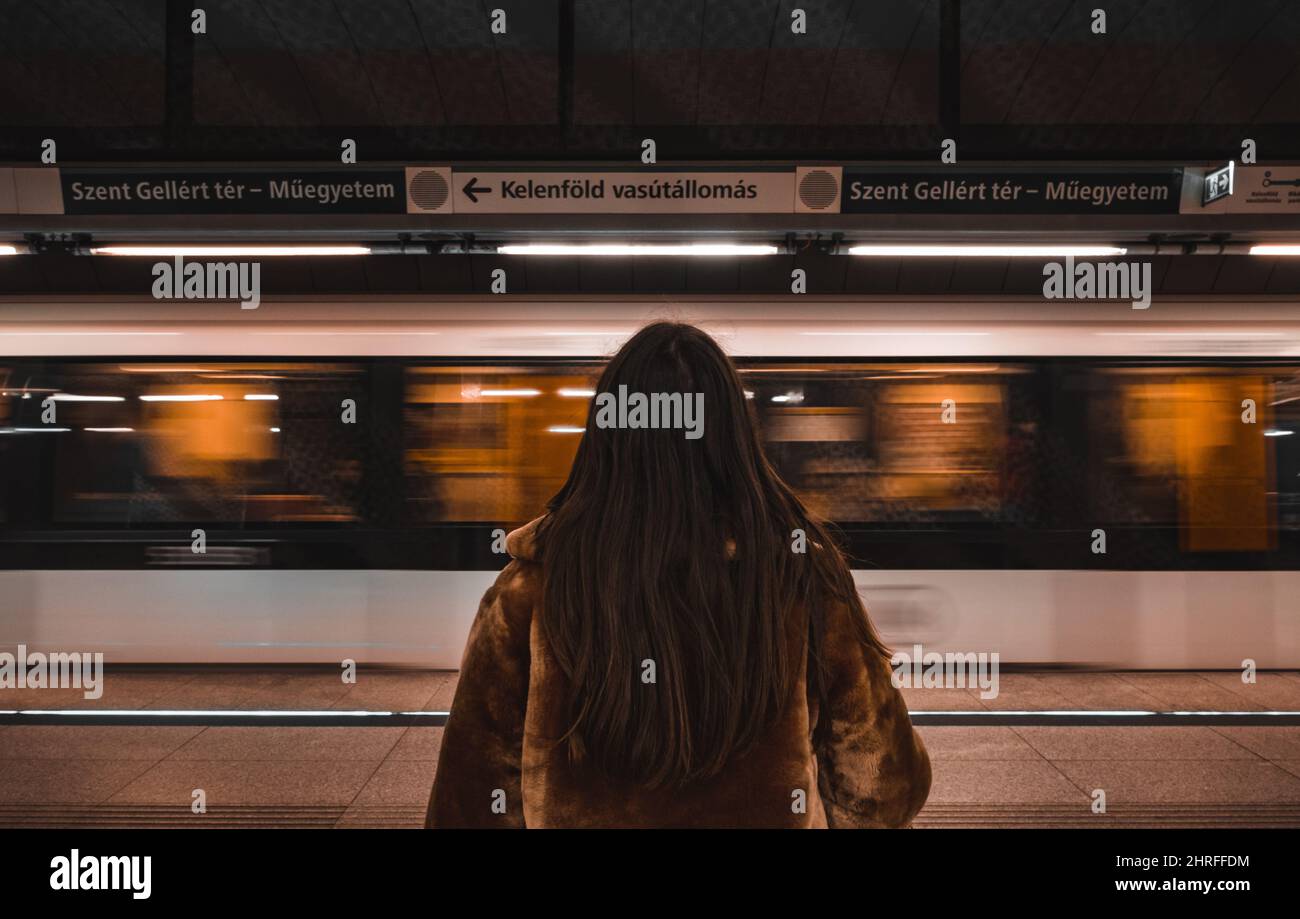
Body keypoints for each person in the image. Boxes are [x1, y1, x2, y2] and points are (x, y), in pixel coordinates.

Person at [425, 321, 930, 828]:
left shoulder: (527, 593)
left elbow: (469, 804)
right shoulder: (804, 582)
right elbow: (884, 789)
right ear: (736, 438)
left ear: (606, 436)